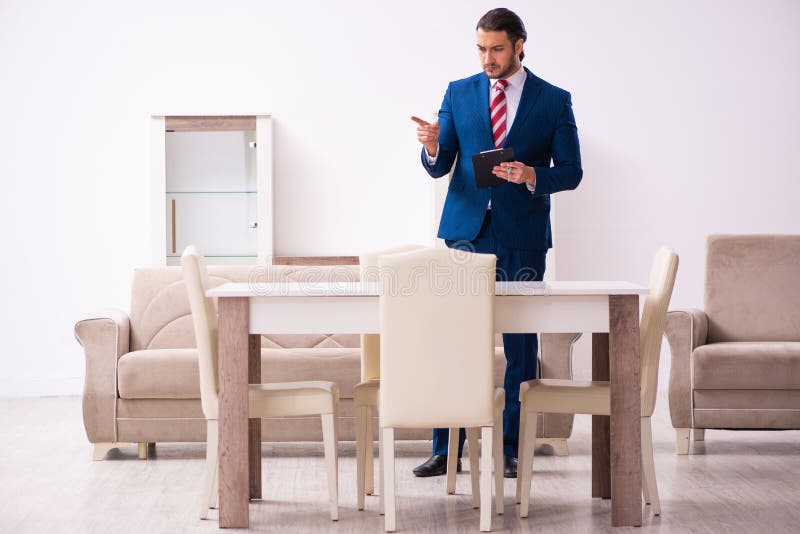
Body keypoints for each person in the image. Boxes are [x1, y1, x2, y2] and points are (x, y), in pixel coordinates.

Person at [411, 7, 582, 478]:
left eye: (497, 49)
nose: (488, 58)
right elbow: (441, 162)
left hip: (522, 236)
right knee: (454, 340)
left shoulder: (553, 100)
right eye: (482, 49)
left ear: (519, 45)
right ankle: (446, 449)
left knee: (520, 345)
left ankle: (509, 447)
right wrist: (430, 145)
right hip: (466, 231)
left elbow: (571, 171)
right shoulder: (458, 92)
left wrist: (531, 175)